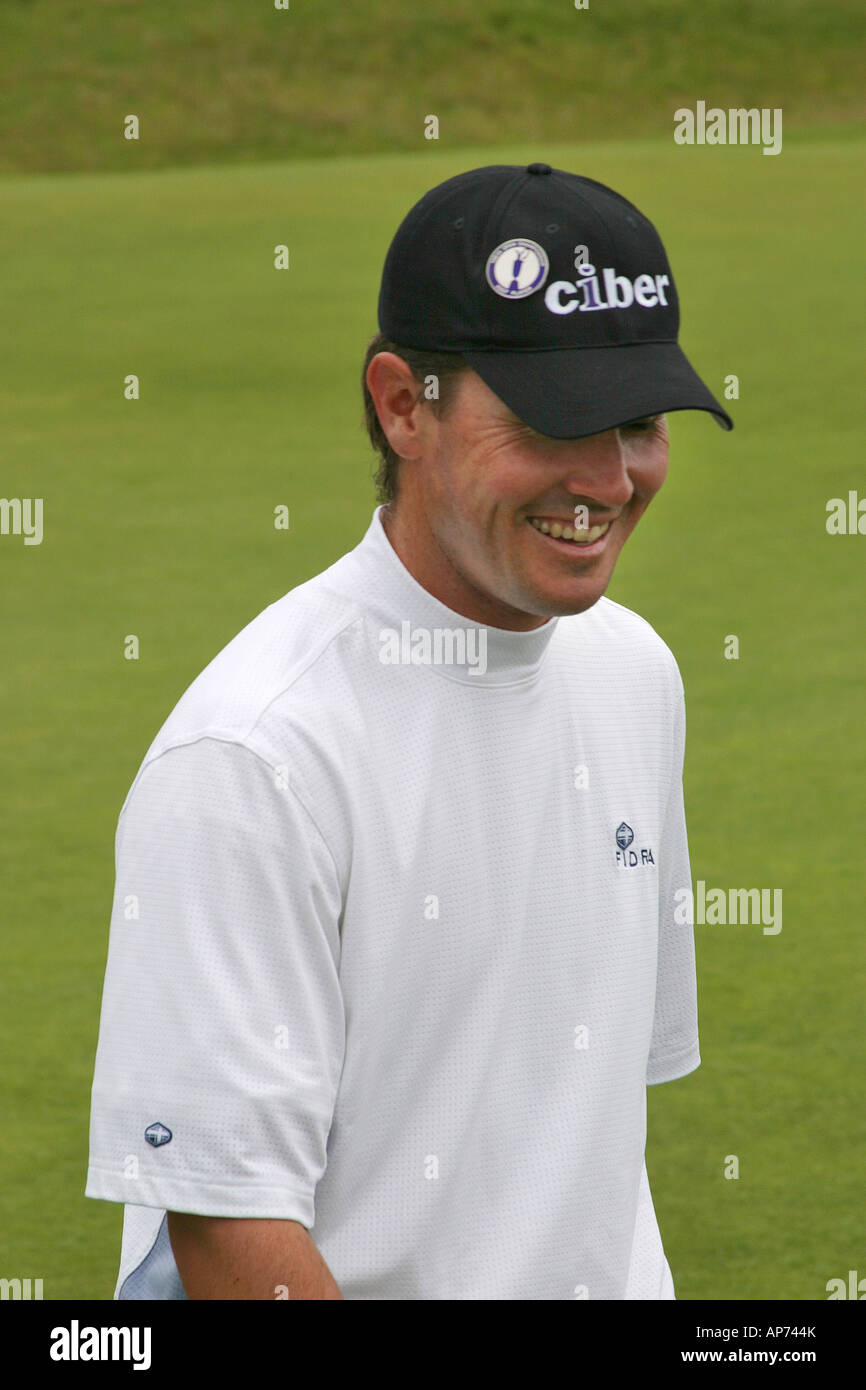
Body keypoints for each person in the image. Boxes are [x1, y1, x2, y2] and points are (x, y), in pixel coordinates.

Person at [86, 163, 733, 1300]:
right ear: (402, 405)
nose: (605, 479)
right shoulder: (254, 757)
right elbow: (232, 1237)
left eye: (635, 420)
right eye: (548, 420)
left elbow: (587, 1133)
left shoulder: (636, 675)